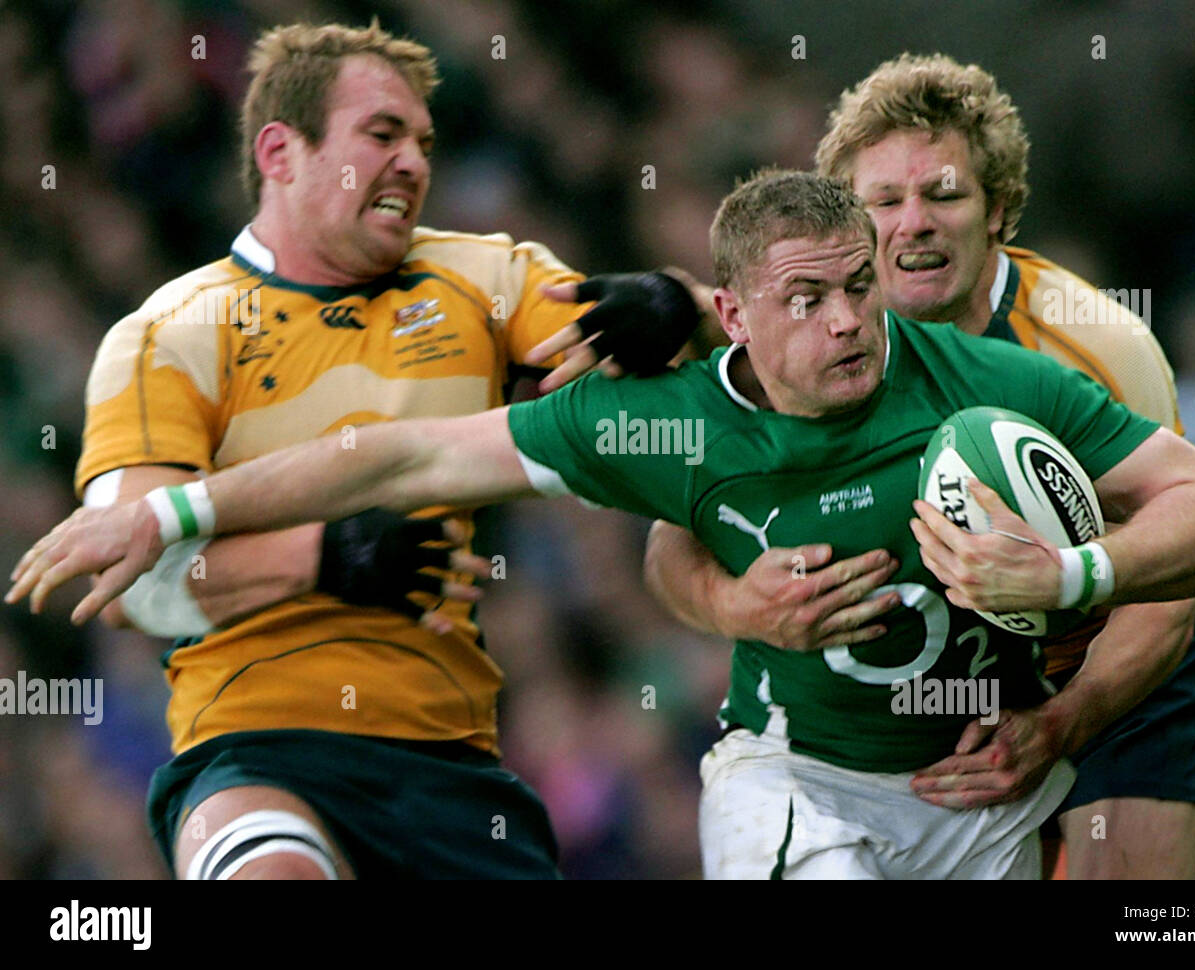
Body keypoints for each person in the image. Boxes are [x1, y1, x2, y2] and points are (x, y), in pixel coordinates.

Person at [10, 170, 1195, 880]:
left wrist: (1063, 570)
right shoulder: (654, 422)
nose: (845, 323)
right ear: (729, 309)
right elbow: (393, 452)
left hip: (996, 784)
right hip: (808, 791)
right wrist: (177, 506)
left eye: (856, 290)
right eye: (804, 299)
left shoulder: (990, 381)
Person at [29, 21, 699, 880]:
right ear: (281, 152)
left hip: (448, 761)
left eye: (423, 141)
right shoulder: (167, 333)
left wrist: (670, 304)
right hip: (257, 753)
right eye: (382, 135)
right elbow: (130, 580)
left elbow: (663, 347)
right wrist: (322, 558)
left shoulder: (480, 279)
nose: (416, 161)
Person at [643, 53, 1195, 879]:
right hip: (934, 688)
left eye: (943, 193)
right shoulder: (808, 341)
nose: (912, 222)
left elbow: (1175, 578)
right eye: (884, 201)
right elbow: (673, 545)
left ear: (998, 213)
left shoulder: (1097, 345)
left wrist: (1065, 718)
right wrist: (742, 605)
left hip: (1113, 658)